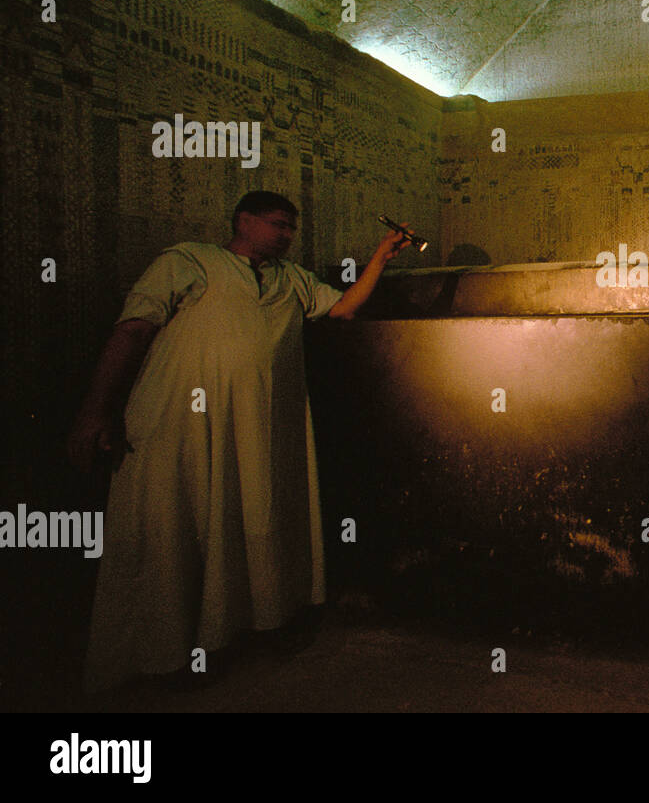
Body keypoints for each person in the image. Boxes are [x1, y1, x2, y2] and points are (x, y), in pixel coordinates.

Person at [67, 191, 410, 692]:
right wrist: (96, 409)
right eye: (276, 224)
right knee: (172, 526)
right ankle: (154, 658)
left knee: (243, 522)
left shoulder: (290, 278)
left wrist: (380, 256)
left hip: (254, 429)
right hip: (181, 423)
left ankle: (231, 636)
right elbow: (133, 331)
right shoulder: (189, 261)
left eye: (291, 228)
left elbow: (343, 310)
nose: (285, 235)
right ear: (242, 221)